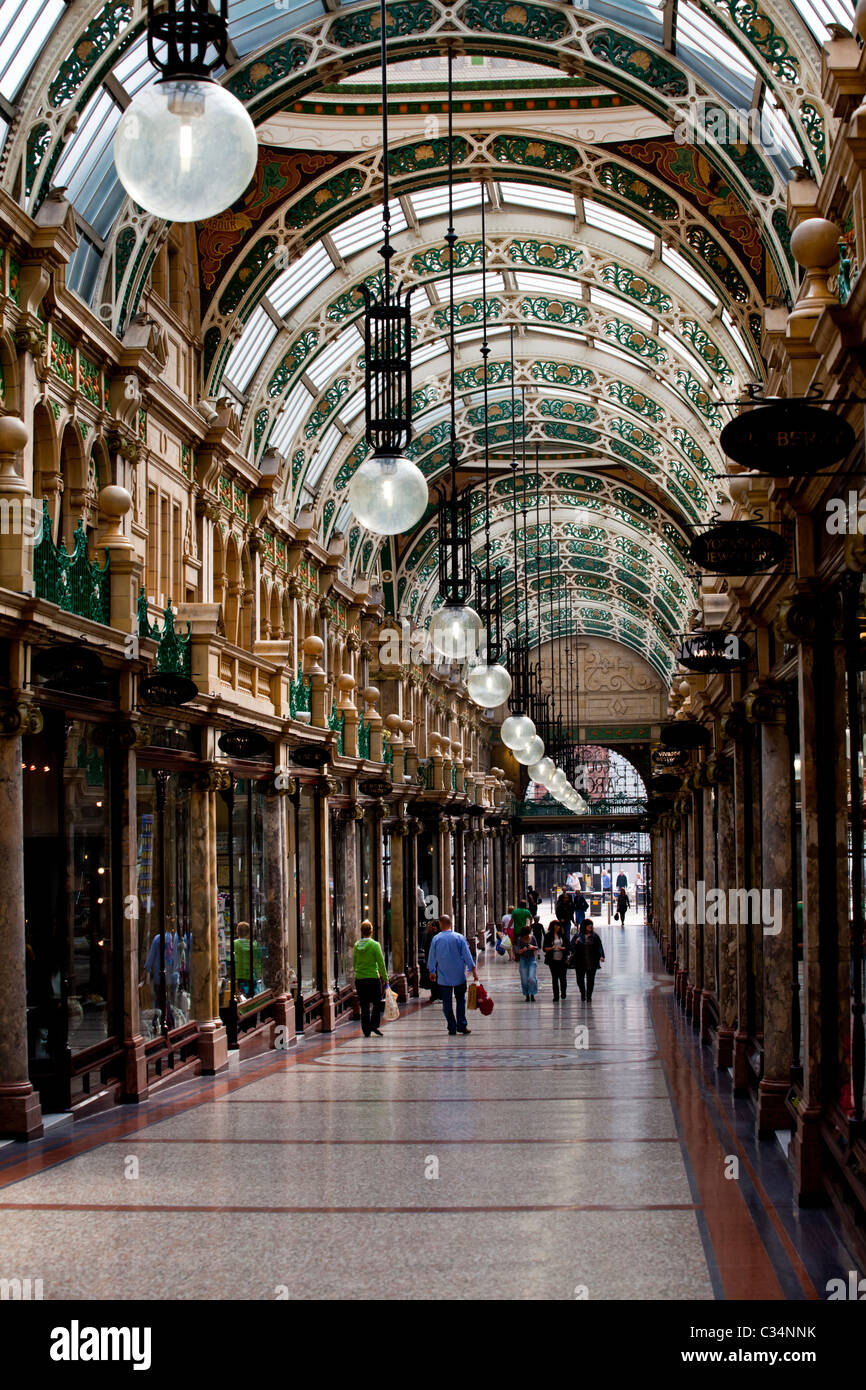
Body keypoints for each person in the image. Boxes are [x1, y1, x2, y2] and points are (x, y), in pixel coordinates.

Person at [426, 914, 478, 1036]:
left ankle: (452, 1026)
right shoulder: (459, 938)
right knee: (460, 1000)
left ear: (440, 924)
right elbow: (467, 956)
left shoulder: (436, 939)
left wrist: (432, 971)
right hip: (459, 975)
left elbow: (432, 957)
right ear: (451, 924)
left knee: (446, 1003)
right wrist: (474, 971)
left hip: (443, 977)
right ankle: (462, 1025)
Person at [353, 920, 388, 1037]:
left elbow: (354, 962)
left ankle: (366, 1030)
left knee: (364, 1005)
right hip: (373, 978)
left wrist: (358, 972)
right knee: (377, 1002)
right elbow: (381, 963)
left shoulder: (356, 946)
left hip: (360, 979)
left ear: (362, 932)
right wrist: (385, 978)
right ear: (371, 931)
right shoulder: (375, 945)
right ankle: (373, 1024)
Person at [571, 919, 605, 1000]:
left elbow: (599, 947)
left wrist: (601, 956)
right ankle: (583, 992)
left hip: (592, 961)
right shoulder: (577, 936)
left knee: (591, 980)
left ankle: (589, 996)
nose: (590, 926)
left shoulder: (595, 936)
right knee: (579, 979)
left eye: (591, 925)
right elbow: (571, 947)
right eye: (588, 925)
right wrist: (576, 943)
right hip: (580, 961)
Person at [543, 919, 569, 1001]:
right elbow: (544, 948)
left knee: (563, 977)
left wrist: (563, 948)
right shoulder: (548, 936)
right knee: (554, 978)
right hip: (552, 960)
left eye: (559, 925)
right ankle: (556, 996)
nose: (558, 927)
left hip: (562, 959)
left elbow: (568, 946)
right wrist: (552, 948)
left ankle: (563, 992)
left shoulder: (563, 935)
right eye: (556, 925)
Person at [515, 924, 540, 1001]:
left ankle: (532, 993)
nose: (526, 937)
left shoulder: (532, 938)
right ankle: (527, 995)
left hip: (532, 959)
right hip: (523, 960)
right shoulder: (520, 939)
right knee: (524, 979)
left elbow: (537, 947)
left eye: (527, 935)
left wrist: (532, 947)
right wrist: (523, 950)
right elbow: (518, 951)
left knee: (532, 978)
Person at [423, 917, 441, 999]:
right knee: (435, 978)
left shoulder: (434, 937)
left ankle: (436, 994)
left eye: (434, 926)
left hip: (435, 961)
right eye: (431, 926)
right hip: (434, 961)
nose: (432, 927)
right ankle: (437, 994)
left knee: (435, 978)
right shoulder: (431, 936)